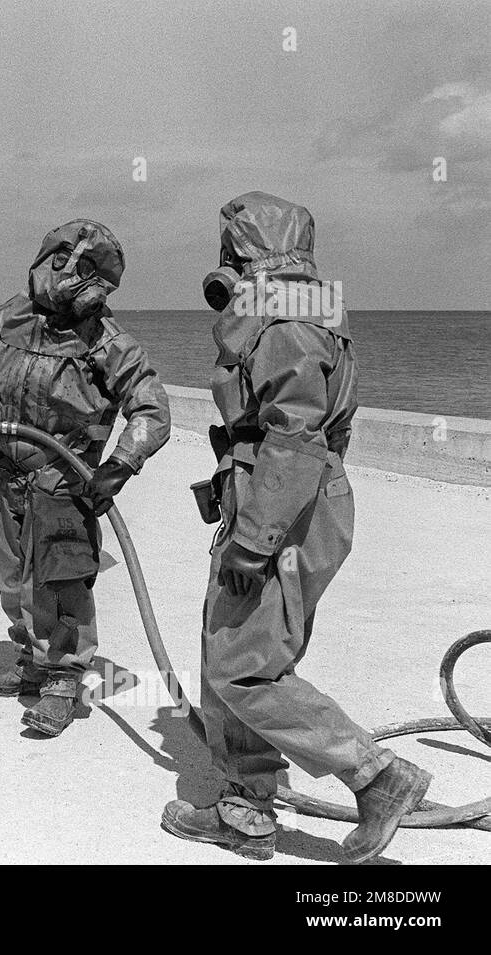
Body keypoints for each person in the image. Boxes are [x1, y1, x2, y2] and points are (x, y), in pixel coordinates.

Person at [160, 191, 431, 863]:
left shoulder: (283, 321)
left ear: (243, 252)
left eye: (228, 250)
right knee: (232, 648)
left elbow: (293, 438)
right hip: (275, 496)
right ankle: (245, 807)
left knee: (244, 669)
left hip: (286, 502)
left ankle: (376, 776)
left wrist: (256, 535)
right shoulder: (297, 309)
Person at [0, 219, 170, 737]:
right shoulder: (10, 316)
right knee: (8, 575)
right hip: (2, 472)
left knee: (60, 585)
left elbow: (151, 410)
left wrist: (119, 465)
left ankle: (63, 683)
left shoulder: (109, 341)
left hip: (63, 478)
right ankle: (30, 661)